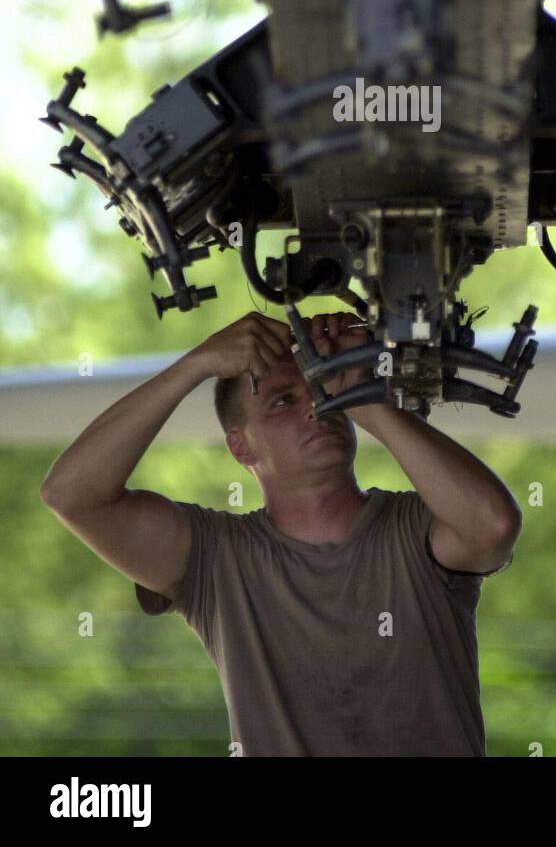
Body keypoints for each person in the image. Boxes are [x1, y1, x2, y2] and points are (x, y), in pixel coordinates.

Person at [40, 308, 521, 756]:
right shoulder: (217, 558)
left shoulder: (416, 528)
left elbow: (493, 525)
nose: (316, 409)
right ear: (240, 447)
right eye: (283, 400)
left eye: (321, 391)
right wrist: (198, 362)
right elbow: (71, 494)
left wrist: (361, 395)